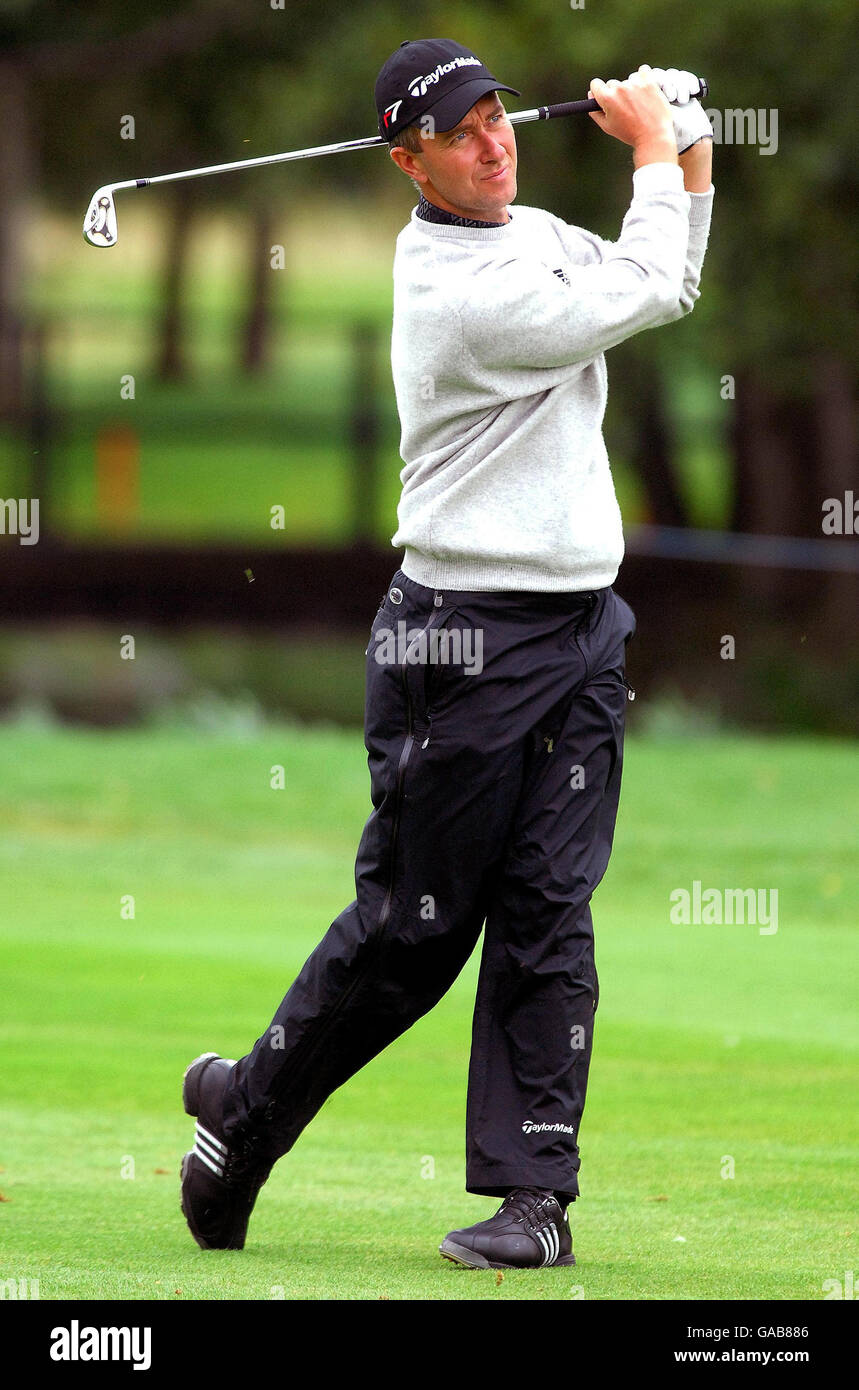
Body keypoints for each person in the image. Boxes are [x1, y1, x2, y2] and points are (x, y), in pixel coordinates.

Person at [180, 38, 714, 1271]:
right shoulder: (455, 293)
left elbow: (666, 278)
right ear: (408, 159)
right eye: (461, 132)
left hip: (580, 631)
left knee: (549, 909)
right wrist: (651, 150)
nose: (493, 141)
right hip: (459, 645)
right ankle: (242, 1117)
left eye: (496, 116)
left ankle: (533, 1198)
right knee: (414, 935)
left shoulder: (533, 234)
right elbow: (637, 283)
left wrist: (687, 145)